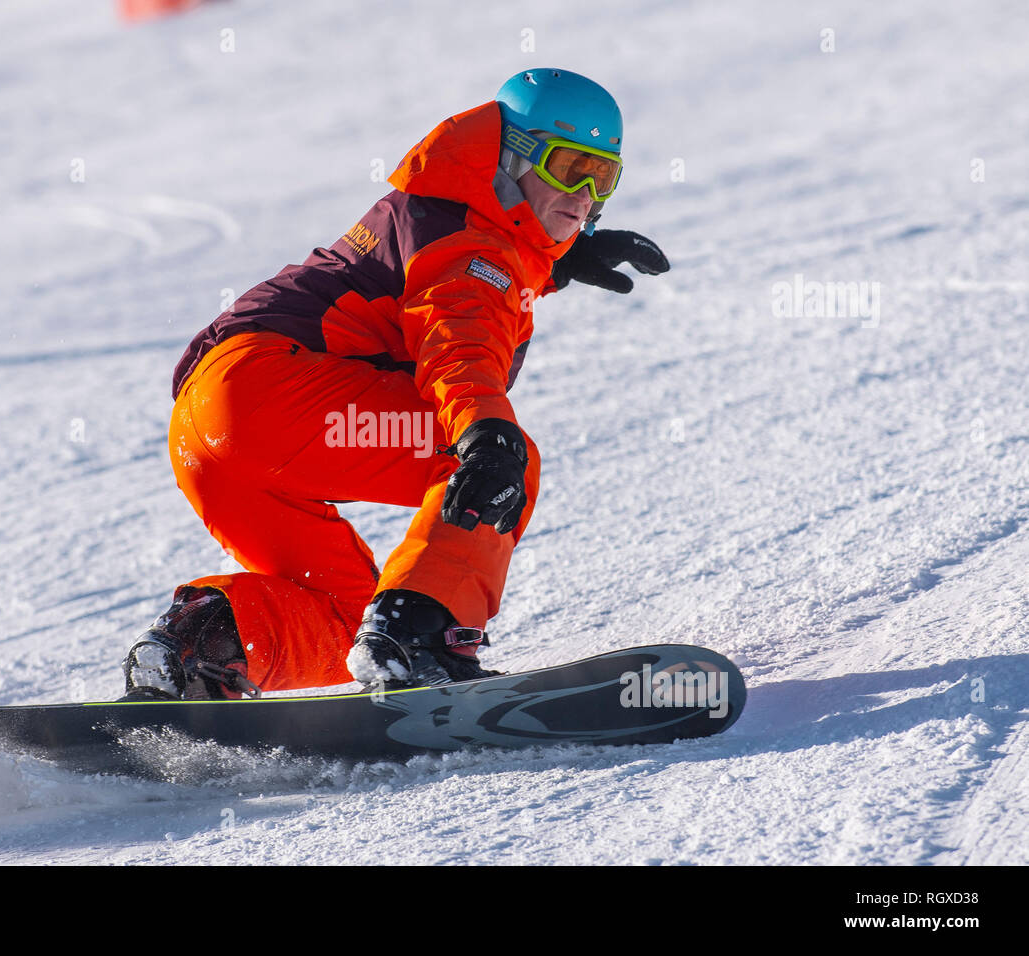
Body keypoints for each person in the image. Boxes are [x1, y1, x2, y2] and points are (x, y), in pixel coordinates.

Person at [122, 68, 670, 701]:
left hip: (213, 432)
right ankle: (419, 639)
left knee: (342, 615)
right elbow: (457, 341)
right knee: (498, 466)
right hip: (271, 396)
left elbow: (452, 266)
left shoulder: (450, 218)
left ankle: (198, 648)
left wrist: (555, 259)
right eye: (567, 166)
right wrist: (486, 432)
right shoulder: (475, 250)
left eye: (602, 178)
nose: (583, 193)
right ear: (509, 156)